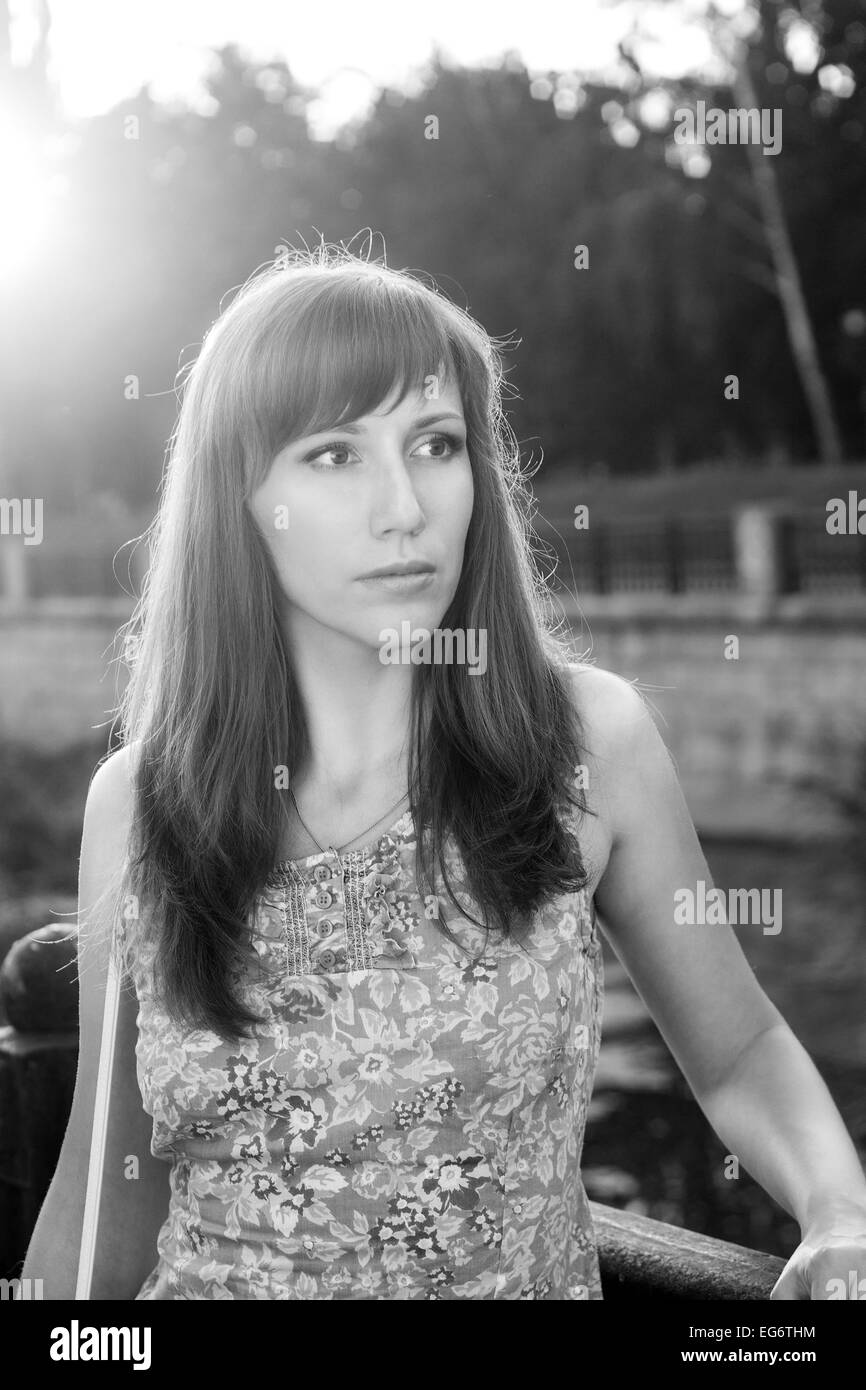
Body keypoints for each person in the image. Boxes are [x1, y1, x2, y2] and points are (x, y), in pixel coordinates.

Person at [24, 243, 866, 1300]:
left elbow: (738, 1051)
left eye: (434, 443)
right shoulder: (140, 807)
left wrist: (841, 1215)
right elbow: (110, 1195)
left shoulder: (583, 743)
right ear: (239, 496)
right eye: (334, 454)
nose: (404, 506)